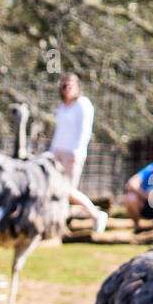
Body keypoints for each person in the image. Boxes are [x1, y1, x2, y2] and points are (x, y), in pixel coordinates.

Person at [48, 73, 108, 234]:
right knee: (55, 188)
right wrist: (52, 152)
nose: (67, 90)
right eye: (64, 86)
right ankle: (59, 222)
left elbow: (85, 131)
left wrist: (77, 151)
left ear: (77, 87)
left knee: (68, 190)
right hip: (58, 152)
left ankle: (96, 215)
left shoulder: (83, 104)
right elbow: (58, 131)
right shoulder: (62, 106)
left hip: (73, 152)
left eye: (70, 86)